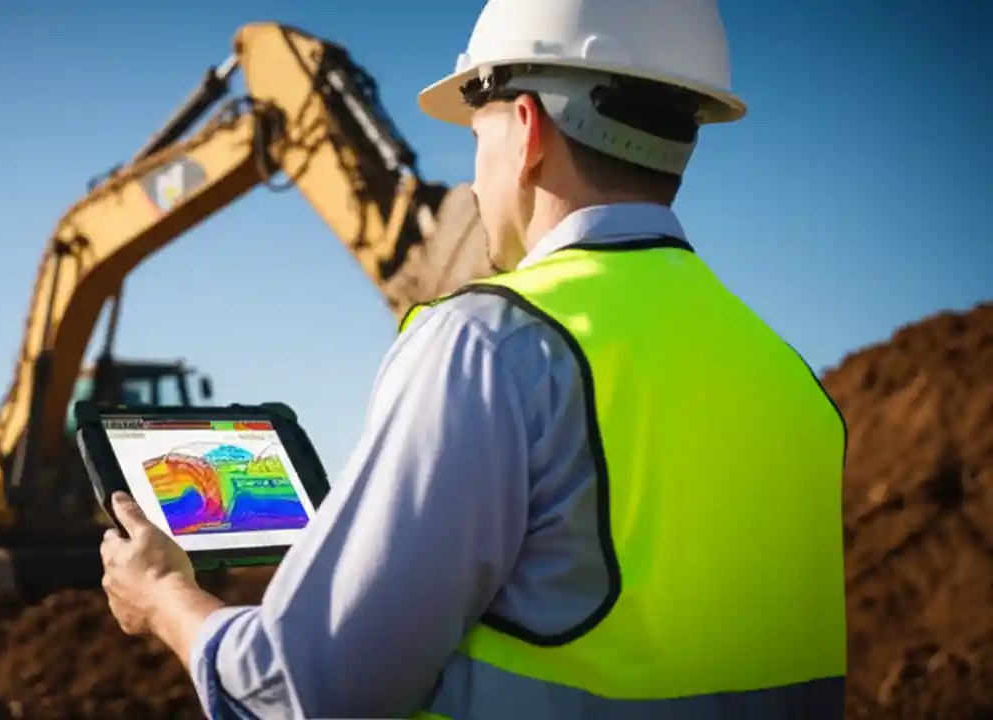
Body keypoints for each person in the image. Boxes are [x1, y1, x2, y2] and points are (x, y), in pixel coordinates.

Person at [98, 0, 850, 717]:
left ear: (525, 130)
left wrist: (165, 597)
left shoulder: (489, 345)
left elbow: (310, 691)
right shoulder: (785, 377)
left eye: (474, 134)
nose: (472, 177)